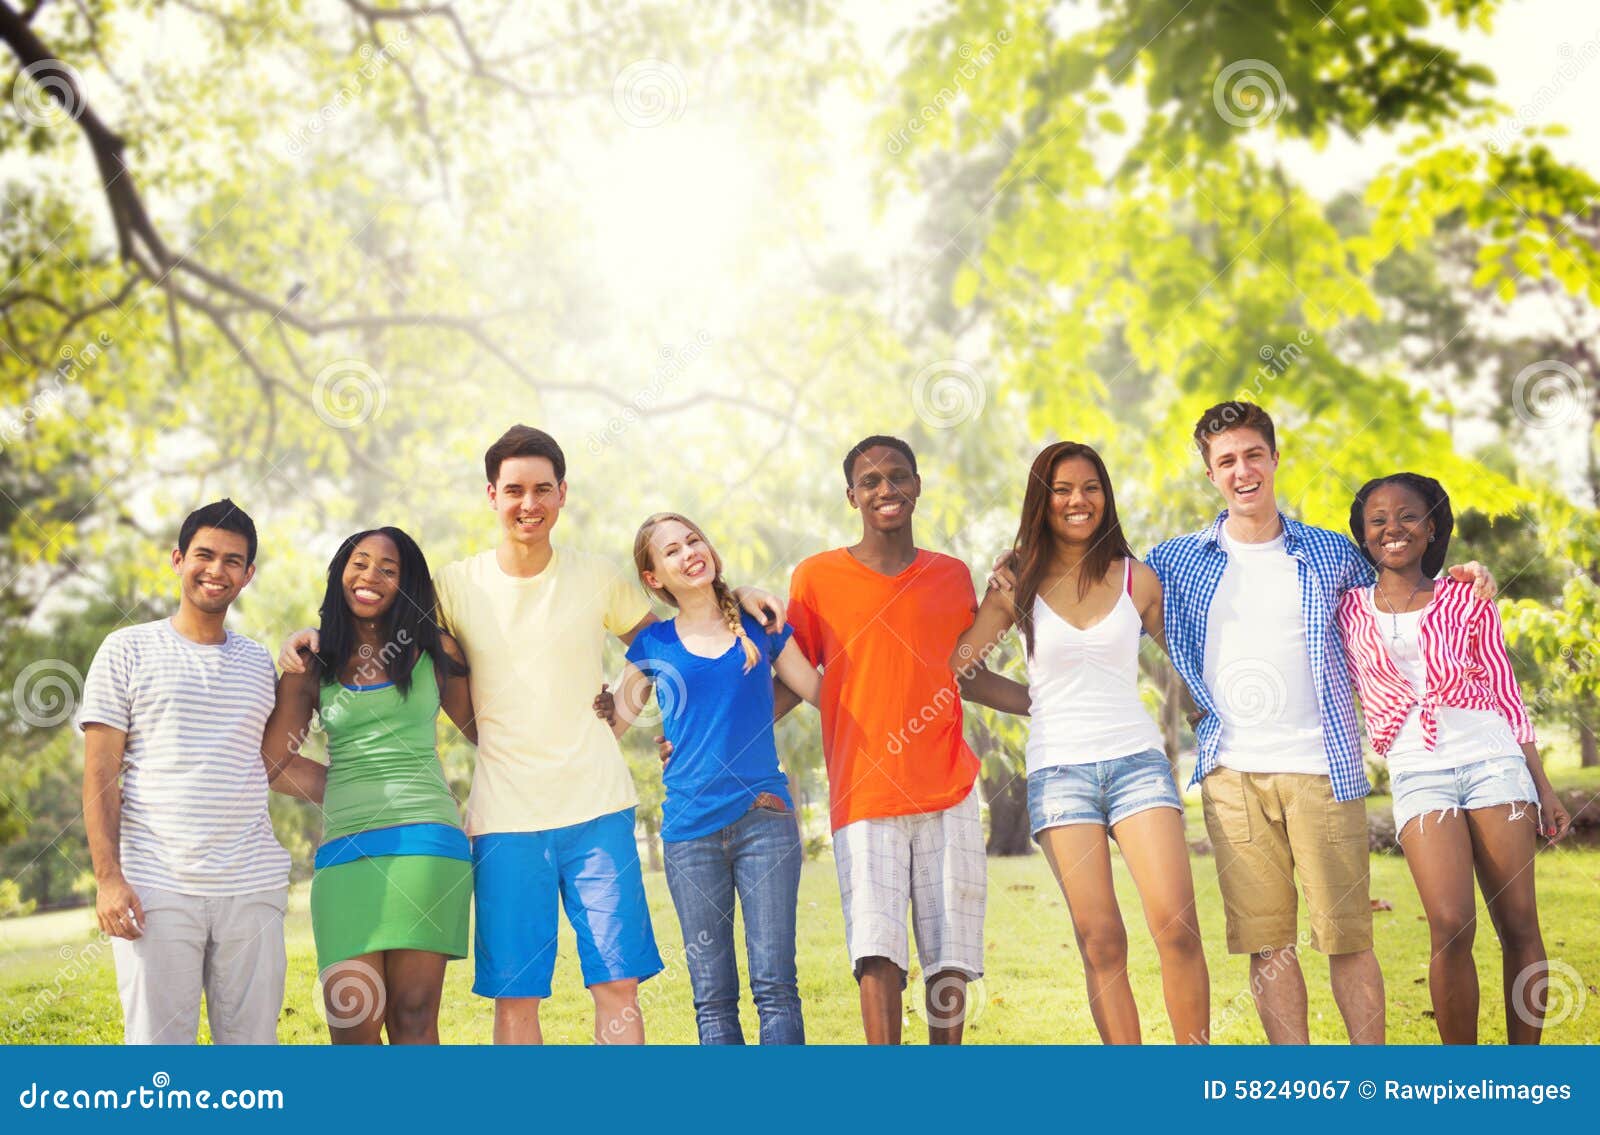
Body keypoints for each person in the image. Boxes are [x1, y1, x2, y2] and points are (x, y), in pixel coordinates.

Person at [281, 425, 783, 1045]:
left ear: (562, 493)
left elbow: (675, 642)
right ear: (491, 494)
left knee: (617, 989)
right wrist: (307, 634)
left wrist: (736, 597)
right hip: (504, 820)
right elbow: (375, 616)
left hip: (598, 808)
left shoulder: (597, 576)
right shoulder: (455, 587)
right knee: (516, 999)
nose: (529, 503)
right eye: (514, 489)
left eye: (543, 489)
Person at [1141, 400, 1494, 1045]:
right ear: (1210, 473)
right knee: (1267, 943)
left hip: (1322, 767)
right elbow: (1109, 596)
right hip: (1231, 775)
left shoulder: (1332, 552)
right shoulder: (1175, 560)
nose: (1242, 470)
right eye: (1226, 461)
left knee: (1347, 937)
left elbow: (1404, 584)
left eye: (1253, 455)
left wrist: (1462, 574)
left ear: (1275, 459)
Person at [955, 442, 1209, 1044]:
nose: (1077, 500)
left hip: (1137, 764)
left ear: (1106, 495)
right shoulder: (1016, 581)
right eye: (1062, 490)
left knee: (1176, 926)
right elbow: (960, 668)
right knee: (1101, 938)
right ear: (1042, 502)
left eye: (1090, 487)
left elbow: (1191, 663)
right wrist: (1035, 699)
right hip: (1059, 772)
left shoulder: (1137, 578)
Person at [783, 435, 1029, 1045]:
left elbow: (963, 671)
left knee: (950, 955)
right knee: (877, 949)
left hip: (948, 788)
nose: (885, 490)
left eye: (897, 477)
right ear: (851, 497)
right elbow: (791, 679)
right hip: (864, 792)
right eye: (870, 482)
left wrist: (1049, 705)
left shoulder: (948, 575)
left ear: (917, 485)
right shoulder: (815, 578)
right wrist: (715, 742)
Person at [1335, 473, 1570, 1044]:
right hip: (1418, 771)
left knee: (1518, 923)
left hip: (1493, 763)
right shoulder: (1346, 609)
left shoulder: (1468, 597)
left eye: (1408, 516)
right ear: (1364, 536)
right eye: (1378, 520)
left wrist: (1543, 786)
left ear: (1431, 525)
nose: (1394, 528)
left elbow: (1507, 691)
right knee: (1449, 922)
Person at [77, 499, 290, 1044]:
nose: (216, 570)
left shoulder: (257, 663)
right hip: (157, 888)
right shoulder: (126, 648)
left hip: (252, 886)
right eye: (204, 555)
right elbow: (100, 774)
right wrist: (108, 880)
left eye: (232, 561)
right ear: (178, 559)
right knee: (160, 1060)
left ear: (248, 575)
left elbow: (271, 762)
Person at [607, 512, 822, 1044]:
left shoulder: (758, 623)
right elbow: (610, 724)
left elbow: (819, 690)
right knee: (713, 999)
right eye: (672, 551)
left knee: (776, 986)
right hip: (689, 832)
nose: (689, 553)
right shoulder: (653, 645)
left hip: (764, 820)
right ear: (654, 578)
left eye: (693, 540)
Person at [262, 527, 476, 1044]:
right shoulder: (312, 662)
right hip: (345, 853)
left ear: (406, 585)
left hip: (428, 848)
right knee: (351, 1025)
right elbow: (272, 762)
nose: (371, 577)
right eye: (360, 563)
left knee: (413, 1018)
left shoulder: (435, 651)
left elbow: (485, 733)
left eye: (388, 569)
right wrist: (348, 783)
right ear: (340, 572)